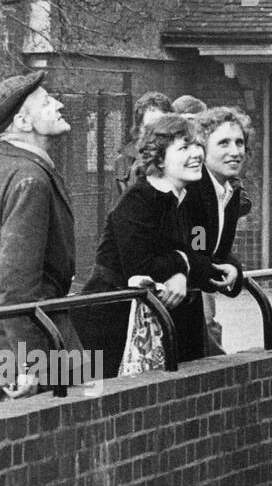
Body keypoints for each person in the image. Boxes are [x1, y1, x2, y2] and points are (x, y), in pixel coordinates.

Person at [79, 114, 241, 374]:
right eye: (184, 148)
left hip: (157, 321)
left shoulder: (185, 200)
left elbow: (197, 250)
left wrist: (225, 267)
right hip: (112, 323)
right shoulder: (138, 201)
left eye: (198, 145)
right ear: (160, 159)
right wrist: (182, 264)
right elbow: (140, 265)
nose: (196, 154)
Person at [0, 71, 78, 398]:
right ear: (23, 121)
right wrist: (27, 361)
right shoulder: (31, 177)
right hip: (40, 333)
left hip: (19, 332)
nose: (58, 104)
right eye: (46, 102)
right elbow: (16, 281)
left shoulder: (13, 166)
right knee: (84, 402)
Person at [183, 107, 253, 355]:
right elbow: (197, 246)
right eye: (223, 143)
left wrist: (234, 268)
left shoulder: (229, 192)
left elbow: (217, 250)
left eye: (239, 143)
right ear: (201, 149)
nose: (235, 152)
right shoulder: (192, 189)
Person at [114, 90, 171, 195]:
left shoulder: (181, 156)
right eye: (149, 127)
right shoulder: (124, 161)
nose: (156, 132)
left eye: (161, 125)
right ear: (140, 128)